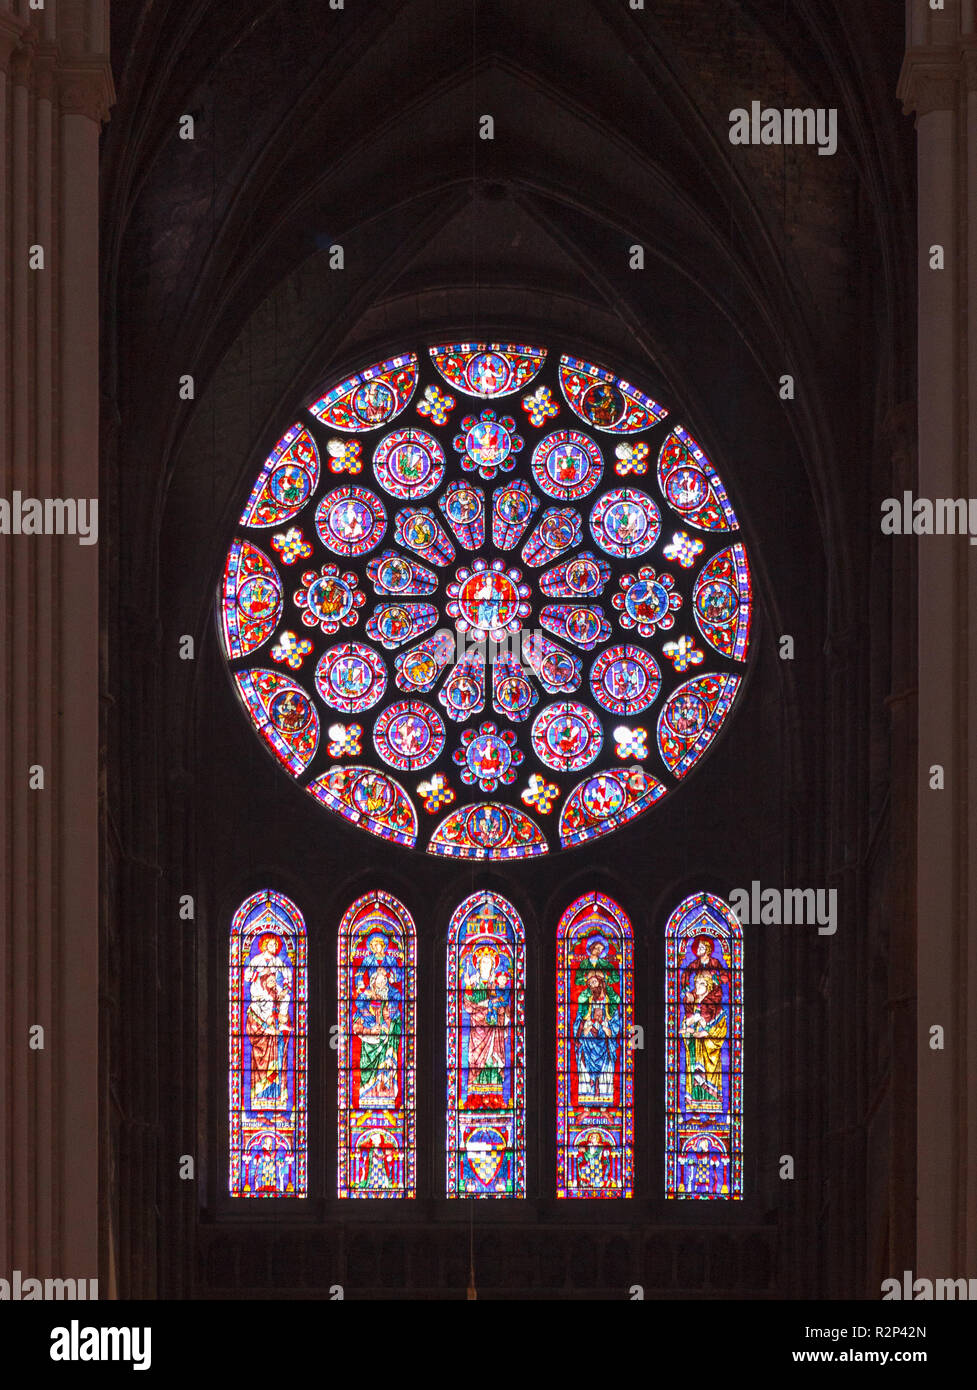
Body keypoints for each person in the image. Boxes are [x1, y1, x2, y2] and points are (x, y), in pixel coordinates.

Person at [679, 935, 729, 1110]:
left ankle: (713, 1111)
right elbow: (685, 977)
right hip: (694, 1055)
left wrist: (704, 1033)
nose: (696, 986)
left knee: (709, 1079)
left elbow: (719, 1032)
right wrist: (689, 1031)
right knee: (694, 1080)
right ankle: (693, 1111)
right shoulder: (691, 1008)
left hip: (710, 1058)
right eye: (696, 983)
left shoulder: (715, 1010)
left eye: (700, 984)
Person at [245, 934, 292, 1108]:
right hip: (261, 1000)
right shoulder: (257, 960)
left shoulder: (277, 961)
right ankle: (260, 1101)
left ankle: (278, 1100)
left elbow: (287, 974)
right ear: (265, 945)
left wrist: (285, 987)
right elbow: (248, 976)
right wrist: (260, 973)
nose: (274, 948)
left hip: (274, 1031)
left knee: (285, 999)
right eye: (271, 944)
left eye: (275, 945)